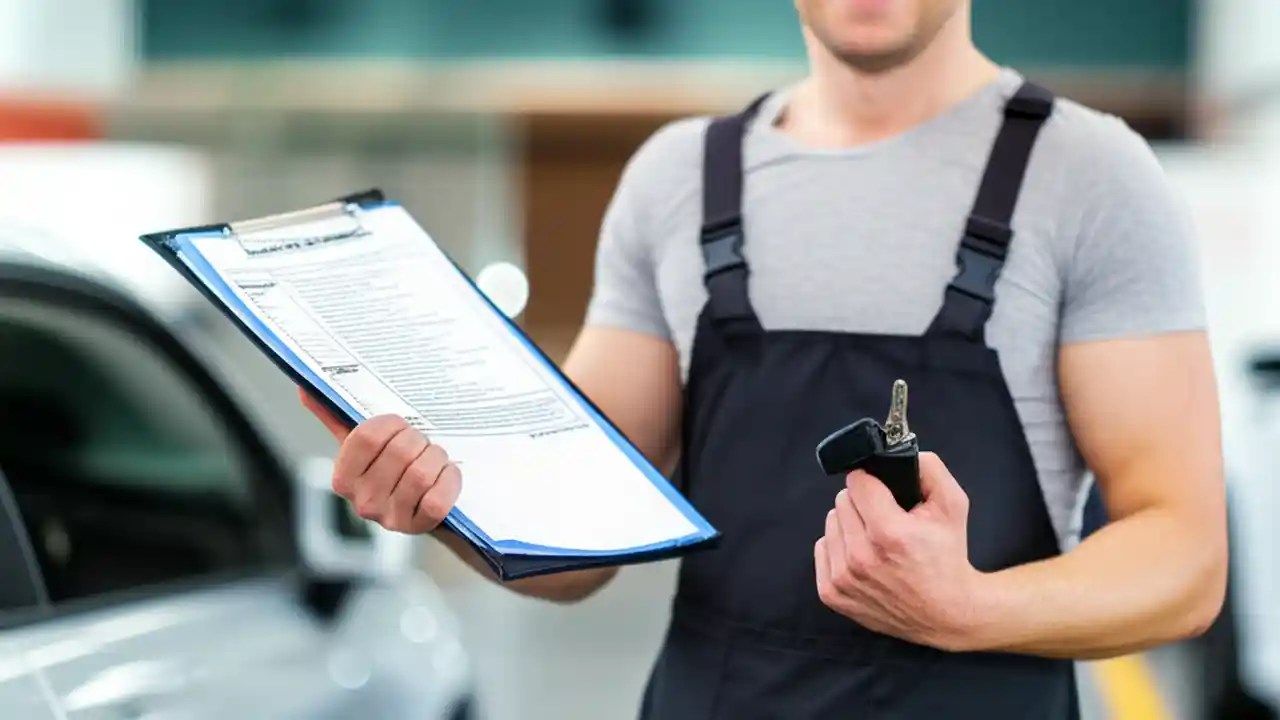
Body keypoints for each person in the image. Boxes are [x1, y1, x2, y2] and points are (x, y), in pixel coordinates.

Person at [301, 1, 1228, 717]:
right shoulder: (677, 179)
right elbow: (572, 553)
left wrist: (969, 608)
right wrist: (444, 503)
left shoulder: (1091, 176)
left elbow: (1183, 556)